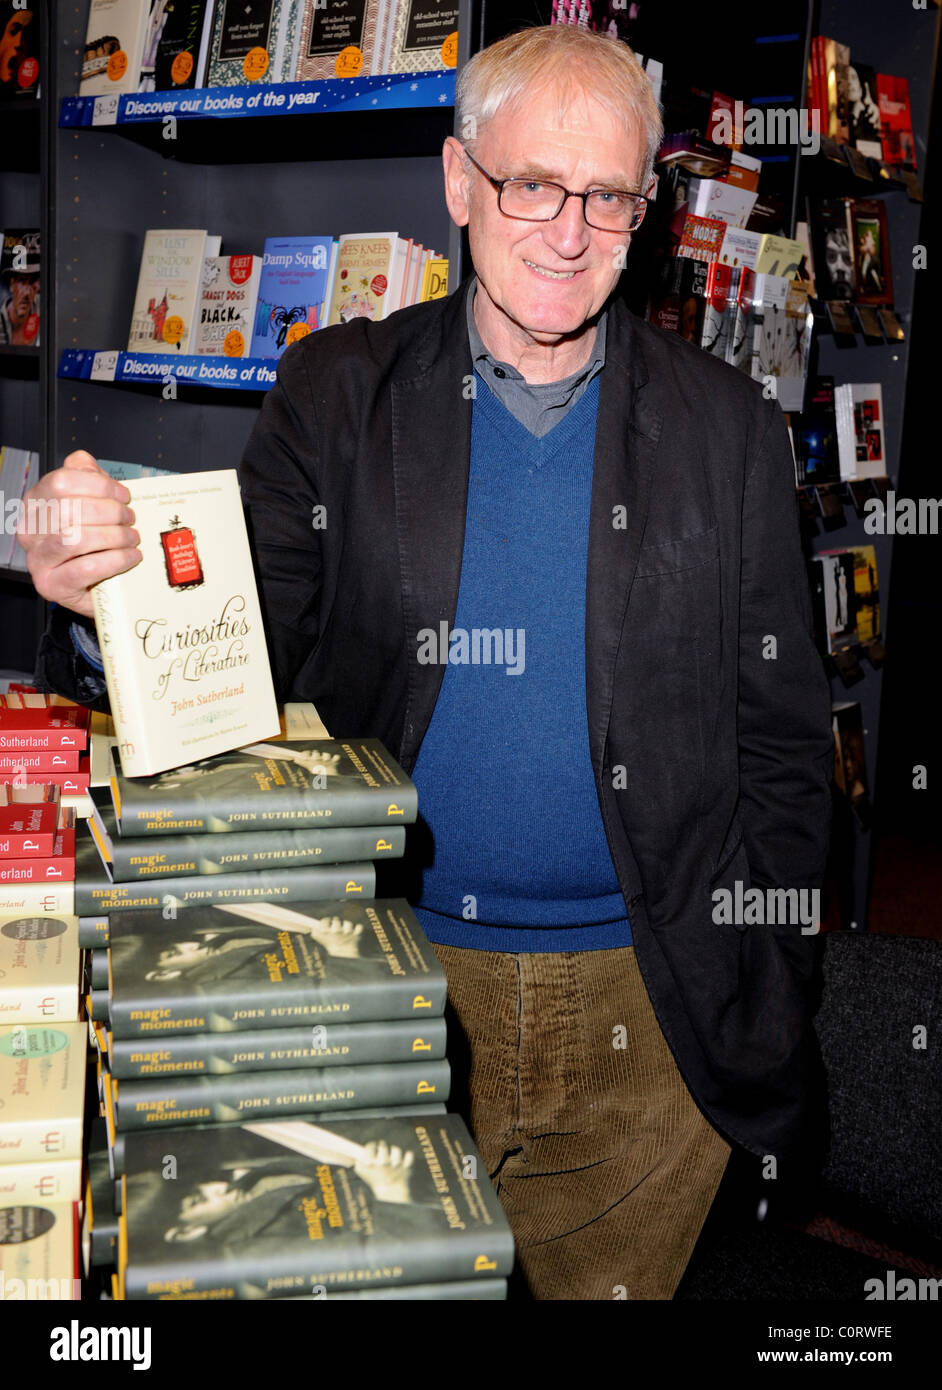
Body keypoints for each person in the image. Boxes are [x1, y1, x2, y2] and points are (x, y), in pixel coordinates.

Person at [19, 25, 833, 1300]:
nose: (569, 232)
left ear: (645, 209)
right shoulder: (335, 394)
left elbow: (786, 747)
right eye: (532, 186)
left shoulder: (731, 432)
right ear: (460, 181)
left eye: (609, 195)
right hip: (379, 982)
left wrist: (767, 975)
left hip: (653, 1020)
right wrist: (100, 592)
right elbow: (235, 649)